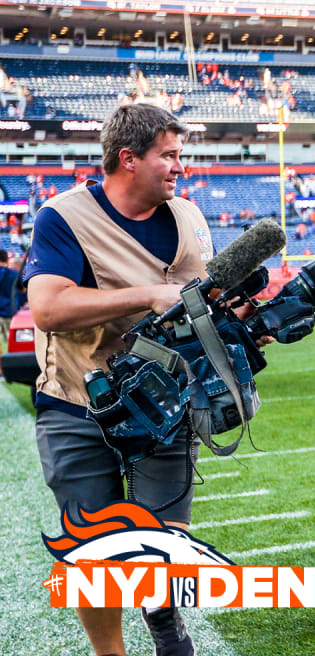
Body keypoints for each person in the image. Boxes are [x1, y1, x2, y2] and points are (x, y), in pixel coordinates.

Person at [25, 103, 213, 656]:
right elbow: (48, 308)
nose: (179, 166)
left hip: (164, 405)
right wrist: (147, 295)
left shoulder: (189, 216)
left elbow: (202, 302)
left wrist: (245, 321)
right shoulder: (63, 216)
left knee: (164, 540)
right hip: (79, 402)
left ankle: (164, 620)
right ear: (128, 159)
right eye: (168, 155)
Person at [0, 248, 20, 345]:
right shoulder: (14, 274)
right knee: (10, 343)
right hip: (9, 311)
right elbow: (23, 290)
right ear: (7, 259)